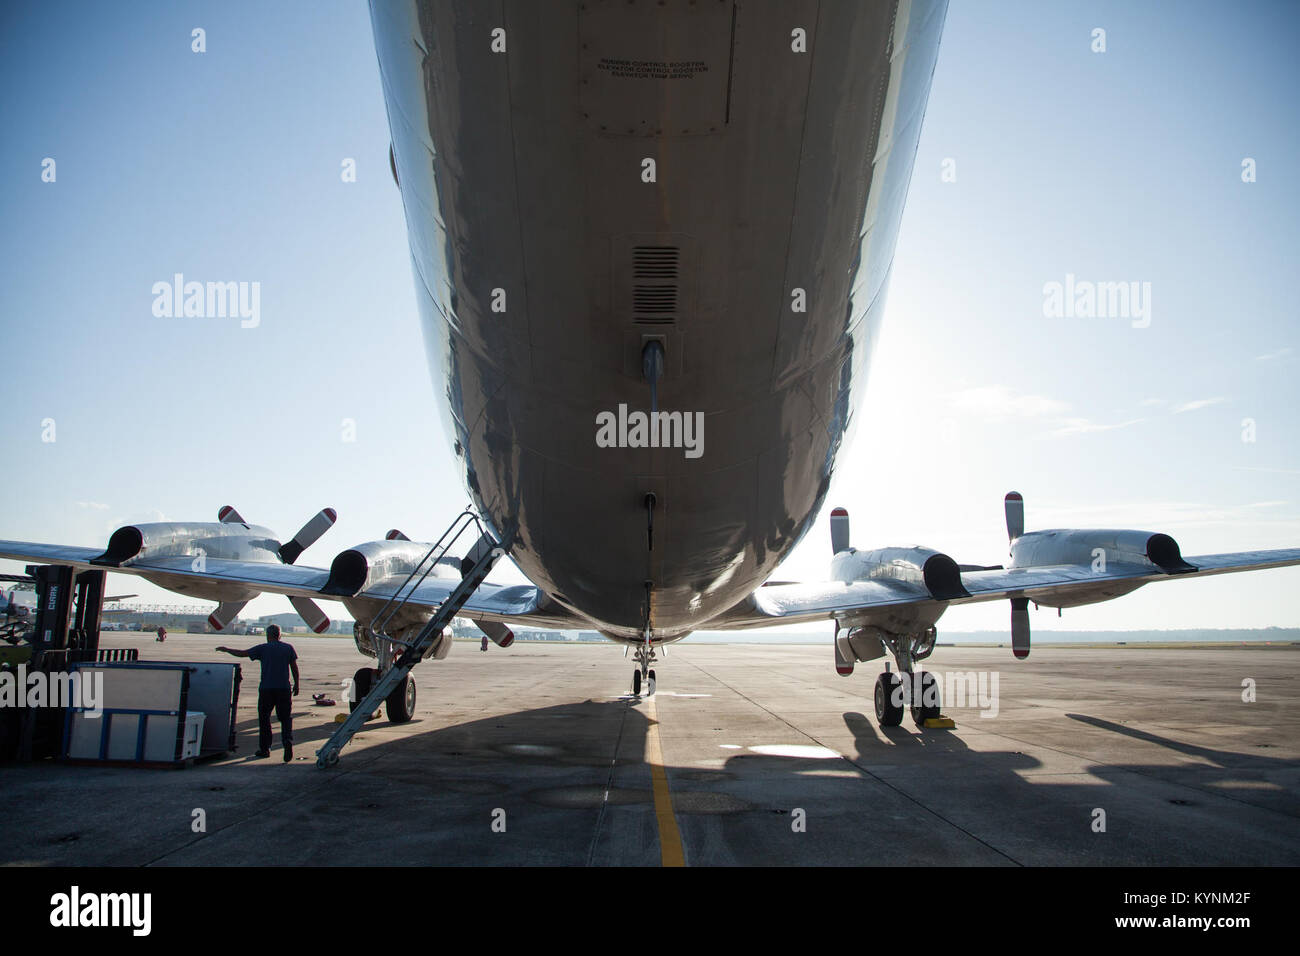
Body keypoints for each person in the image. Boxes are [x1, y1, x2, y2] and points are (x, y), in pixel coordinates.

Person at [216, 624, 299, 762]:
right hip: (284, 688)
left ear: (268, 635)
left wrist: (226, 649)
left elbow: (242, 653)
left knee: (264, 719)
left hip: (267, 689)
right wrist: (297, 684)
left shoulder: (263, 648)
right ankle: (287, 742)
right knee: (285, 718)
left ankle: (265, 749)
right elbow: (294, 667)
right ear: (280, 635)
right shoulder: (288, 648)